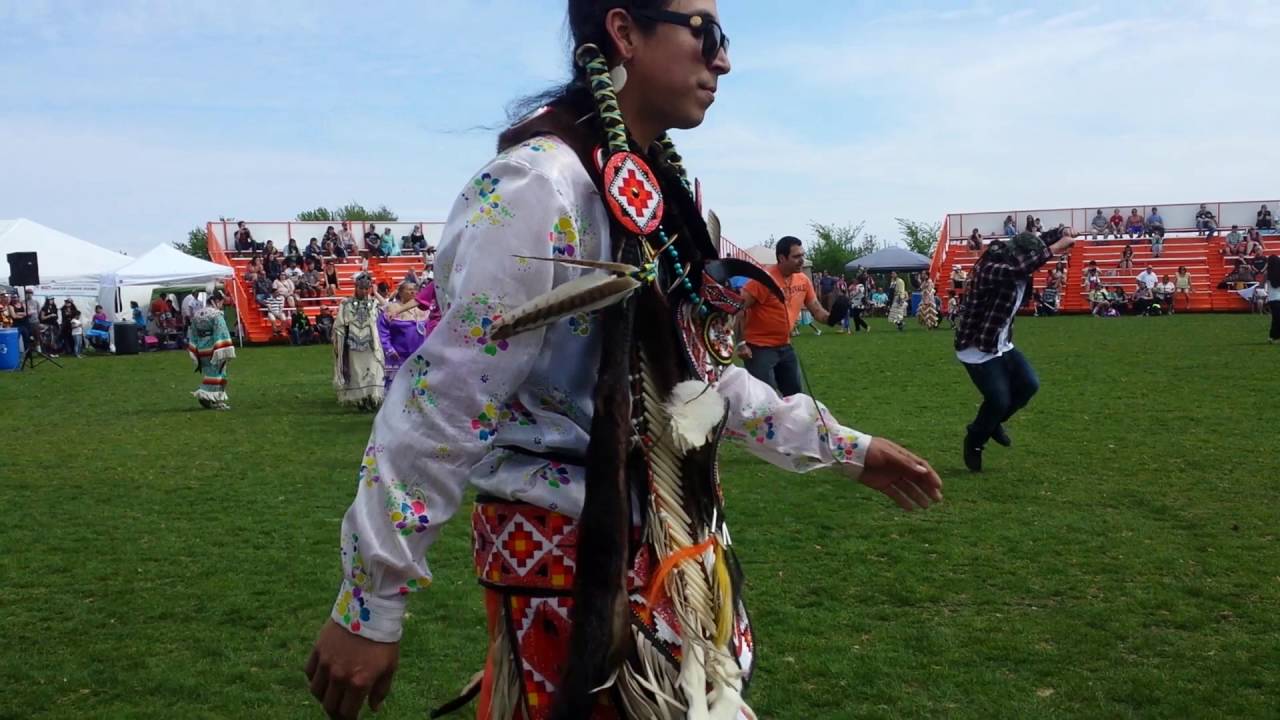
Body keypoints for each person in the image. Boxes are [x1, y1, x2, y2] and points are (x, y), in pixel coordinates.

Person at [305, 9, 942, 720]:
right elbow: (446, 397)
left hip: (671, 553)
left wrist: (844, 448)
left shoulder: (653, 195)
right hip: (569, 579)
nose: (722, 61)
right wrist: (370, 602)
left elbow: (698, 381)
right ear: (625, 32)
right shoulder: (537, 188)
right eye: (705, 32)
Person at [954, 227, 1079, 471]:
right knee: (998, 400)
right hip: (976, 347)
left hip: (1001, 343)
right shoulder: (991, 268)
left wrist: (1061, 231)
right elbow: (1020, 268)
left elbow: (1036, 244)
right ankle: (975, 440)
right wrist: (1055, 248)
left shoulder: (1016, 253)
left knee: (1029, 384)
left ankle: (991, 424)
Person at [737, 237, 828, 396]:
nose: (802, 260)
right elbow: (737, 309)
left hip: (785, 347)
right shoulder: (762, 280)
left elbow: (816, 309)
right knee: (765, 399)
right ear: (781, 258)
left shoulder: (803, 280)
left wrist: (833, 318)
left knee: (796, 396)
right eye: (796, 257)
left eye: (802, 255)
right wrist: (741, 343)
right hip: (759, 349)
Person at [331, 272, 385, 410]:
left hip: (372, 343)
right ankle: (360, 399)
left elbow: (387, 309)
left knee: (373, 370)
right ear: (355, 287)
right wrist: (339, 336)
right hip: (353, 343)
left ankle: (373, 397)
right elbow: (339, 324)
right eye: (361, 288)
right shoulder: (346, 303)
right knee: (357, 372)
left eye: (366, 288)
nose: (364, 291)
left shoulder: (374, 303)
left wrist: (376, 293)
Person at [377, 280, 439, 388]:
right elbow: (383, 331)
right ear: (400, 292)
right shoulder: (391, 308)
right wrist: (388, 348)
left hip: (419, 353)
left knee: (417, 385)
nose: (413, 292)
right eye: (409, 290)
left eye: (415, 290)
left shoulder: (424, 310)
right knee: (397, 386)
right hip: (398, 354)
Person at [186, 291, 235, 410]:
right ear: (217, 301)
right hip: (214, 348)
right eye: (222, 302)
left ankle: (209, 399)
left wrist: (195, 347)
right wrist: (223, 347)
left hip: (202, 349)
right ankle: (211, 399)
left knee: (210, 373)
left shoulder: (198, 314)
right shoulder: (216, 314)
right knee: (219, 374)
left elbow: (192, 333)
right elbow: (221, 331)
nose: (222, 305)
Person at [1264, 256, 1280, 342]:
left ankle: (1272, 337)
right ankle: (1273, 336)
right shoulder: (1270, 273)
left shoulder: (1268, 273)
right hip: (1275, 298)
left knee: (1276, 319)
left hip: (1272, 299)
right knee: (1277, 319)